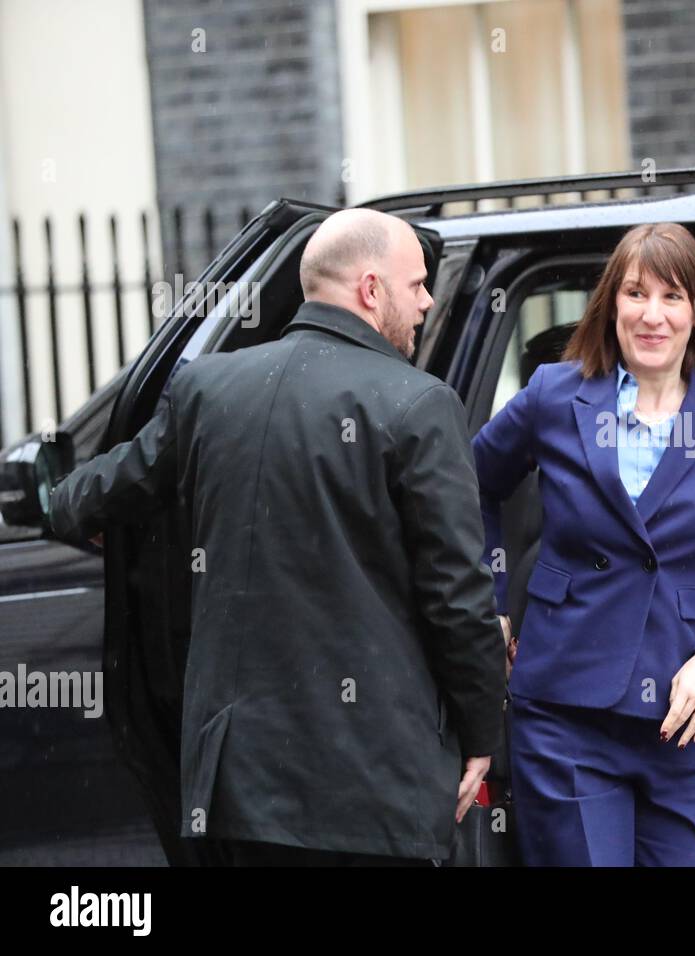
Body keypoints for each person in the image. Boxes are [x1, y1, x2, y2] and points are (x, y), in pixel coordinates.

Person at [47, 208, 505, 866]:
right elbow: (457, 597)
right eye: (418, 285)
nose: (430, 300)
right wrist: (481, 730)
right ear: (371, 290)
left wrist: (67, 503)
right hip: (374, 789)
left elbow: (85, 501)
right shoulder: (419, 404)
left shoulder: (208, 388)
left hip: (239, 789)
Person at [474, 222, 695, 866]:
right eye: (635, 294)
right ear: (609, 304)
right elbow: (466, 486)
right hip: (566, 712)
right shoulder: (553, 395)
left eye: (672, 297)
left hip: (687, 720)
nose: (652, 316)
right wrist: (492, 603)